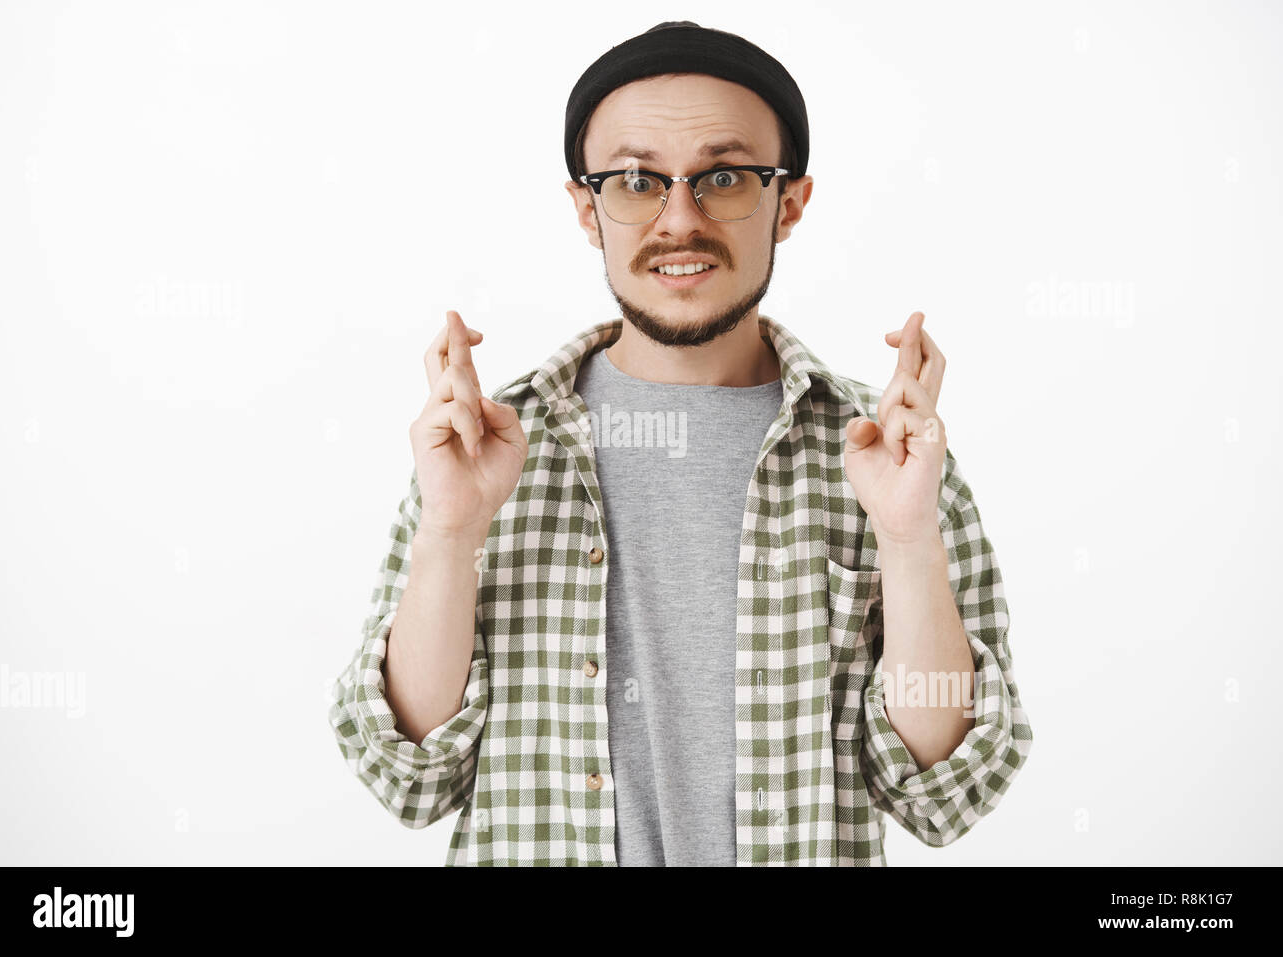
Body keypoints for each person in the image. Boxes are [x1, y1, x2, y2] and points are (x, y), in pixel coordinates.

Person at [328, 21, 1033, 866]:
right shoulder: (481, 453)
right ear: (588, 209)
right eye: (635, 182)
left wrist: (910, 541)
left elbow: (942, 790)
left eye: (724, 177)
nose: (680, 220)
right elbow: (406, 774)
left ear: (791, 201)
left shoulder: (893, 459)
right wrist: (450, 532)